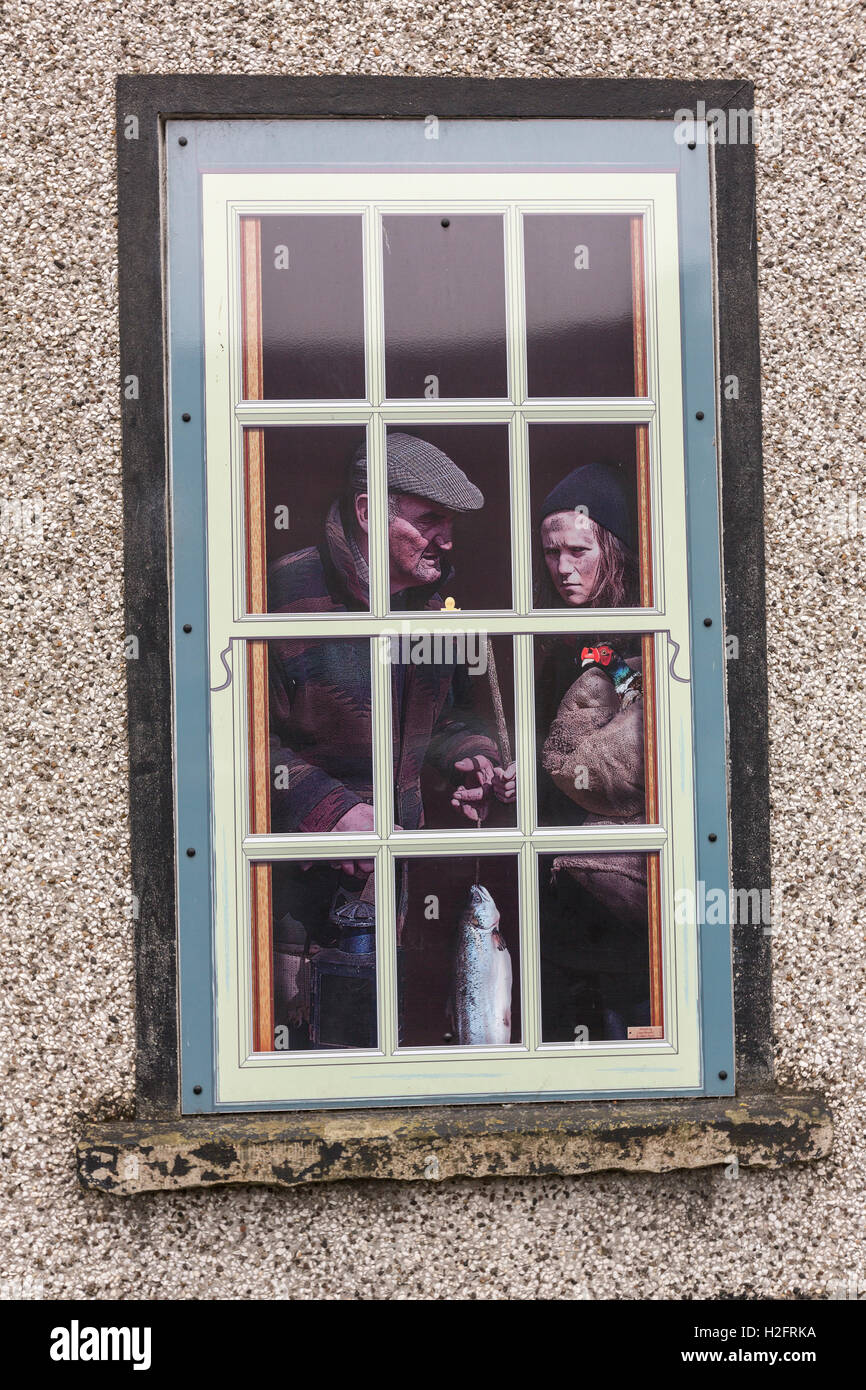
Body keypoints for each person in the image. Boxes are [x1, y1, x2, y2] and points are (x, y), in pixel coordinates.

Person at [267, 433, 515, 975]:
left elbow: (450, 716)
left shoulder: (435, 606)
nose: (446, 541)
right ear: (366, 511)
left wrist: (472, 758)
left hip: (392, 890)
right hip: (290, 902)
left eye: (450, 524)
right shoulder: (283, 592)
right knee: (302, 1041)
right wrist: (333, 813)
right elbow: (230, 742)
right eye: (429, 520)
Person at [533, 460, 650, 1042]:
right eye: (551, 552)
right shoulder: (562, 636)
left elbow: (621, 771)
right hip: (564, 895)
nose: (562, 567)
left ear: (612, 547)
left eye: (579, 551)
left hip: (623, 896)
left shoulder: (640, 633)